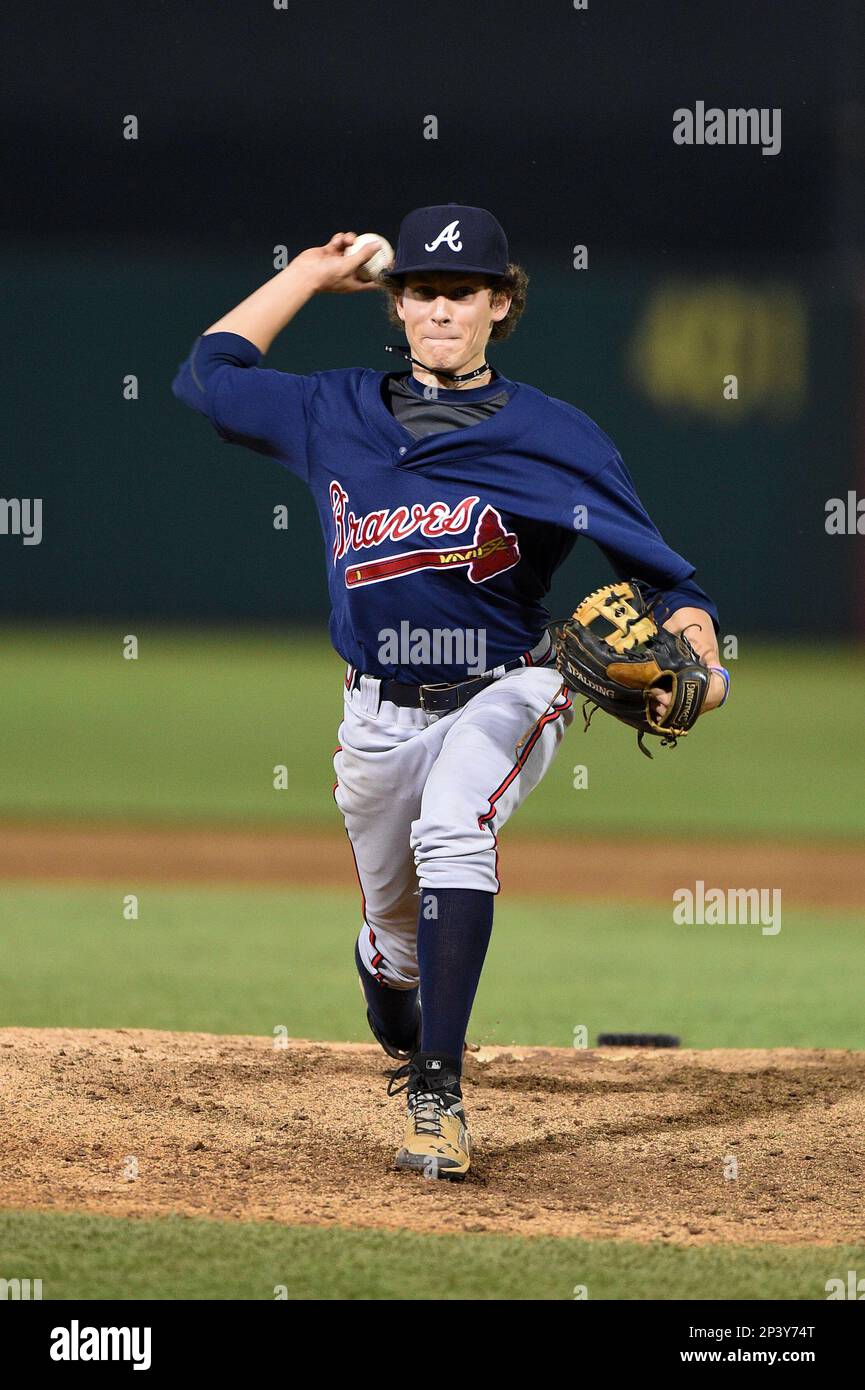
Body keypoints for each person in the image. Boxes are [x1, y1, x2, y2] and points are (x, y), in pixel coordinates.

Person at [172, 203, 726, 1179]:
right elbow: (207, 376)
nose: (440, 308)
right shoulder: (329, 410)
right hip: (375, 710)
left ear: (499, 304)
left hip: (506, 688)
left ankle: (437, 1095)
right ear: (395, 302)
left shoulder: (559, 438)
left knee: (454, 824)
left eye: (462, 291)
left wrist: (705, 667)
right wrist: (307, 274)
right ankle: (400, 1004)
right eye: (421, 289)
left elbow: (672, 583)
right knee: (395, 948)